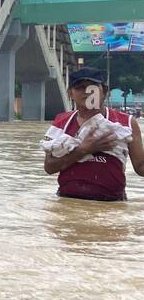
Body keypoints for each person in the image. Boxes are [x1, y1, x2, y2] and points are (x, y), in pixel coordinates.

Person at [42, 67, 144, 201]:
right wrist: (84, 150)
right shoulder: (61, 122)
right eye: (80, 88)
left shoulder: (127, 123)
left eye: (93, 88)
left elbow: (140, 167)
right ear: (70, 93)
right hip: (67, 201)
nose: (87, 93)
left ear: (105, 91)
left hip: (112, 204)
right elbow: (49, 167)